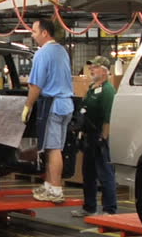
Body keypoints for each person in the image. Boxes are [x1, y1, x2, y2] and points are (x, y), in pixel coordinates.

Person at [23, 19, 74, 203]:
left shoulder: (42, 54)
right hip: (66, 104)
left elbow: (36, 86)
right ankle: (50, 186)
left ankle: (56, 190)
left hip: (52, 104)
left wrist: (28, 106)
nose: (32, 34)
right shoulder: (62, 51)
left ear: (45, 33)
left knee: (52, 149)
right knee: (57, 147)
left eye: (34, 31)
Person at [71, 56, 118, 217]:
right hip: (89, 136)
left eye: (95, 67)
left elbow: (108, 117)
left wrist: (103, 137)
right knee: (88, 173)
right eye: (91, 67)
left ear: (104, 70)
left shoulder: (108, 91)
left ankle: (109, 209)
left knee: (105, 173)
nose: (91, 70)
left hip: (100, 136)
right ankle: (89, 207)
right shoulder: (92, 88)